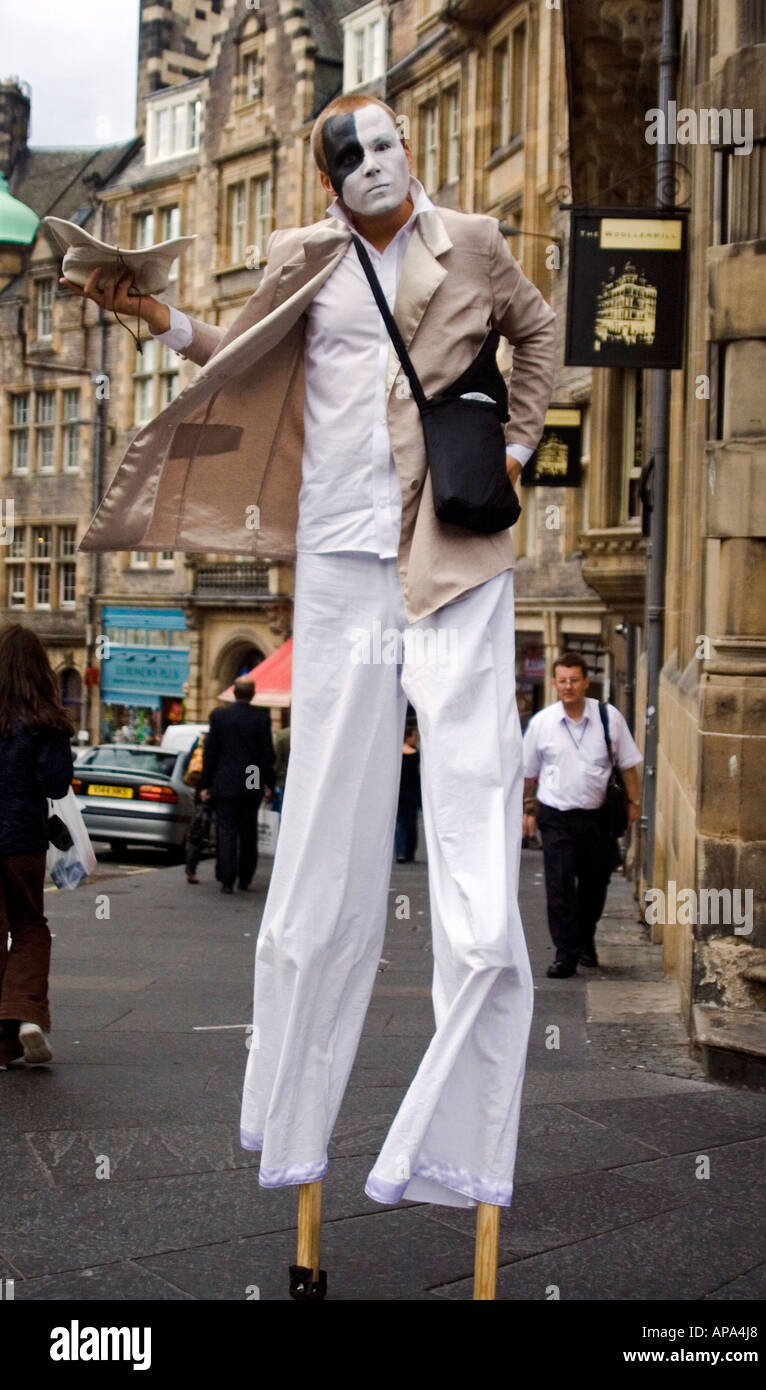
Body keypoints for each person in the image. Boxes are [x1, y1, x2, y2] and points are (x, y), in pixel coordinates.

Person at [69, 92, 556, 1211]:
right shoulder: (303, 256)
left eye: (385, 142)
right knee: (316, 853)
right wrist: (153, 314)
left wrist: (519, 441)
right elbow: (230, 352)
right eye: (349, 154)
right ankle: (293, 1128)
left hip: (454, 548)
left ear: (409, 150)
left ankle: (457, 1151)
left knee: (476, 839)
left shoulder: (472, 243)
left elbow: (536, 334)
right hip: (337, 560)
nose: (374, 164)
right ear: (326, 182)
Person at [522, 651, 643, 978]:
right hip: (555, 815)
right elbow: (529, 774)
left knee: (595, 884)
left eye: (574, 680)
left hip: (596, 818)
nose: (568, 686)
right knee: (559, 886)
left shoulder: (608, 717)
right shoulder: (542, 724)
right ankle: (566, 955)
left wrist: (634, 802)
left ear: (586, 681)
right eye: (562, 681)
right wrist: (527, 810)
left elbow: (629, 764)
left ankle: (584, 936)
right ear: (554, 683)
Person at [0, 624, 74, 1068]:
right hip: (22, 840)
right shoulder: (47, 721)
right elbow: (55, 783)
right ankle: (25, 1017)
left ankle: (4, 1045)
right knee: (29, 926)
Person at [199, 678, 275, 894]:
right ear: (252, 694)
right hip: (251, 777)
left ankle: (226, 879)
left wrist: (206, 784)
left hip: (224, 781)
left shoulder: (219, 716)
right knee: (248, 831)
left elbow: (210, 753)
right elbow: (266, 756)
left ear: (234, 693)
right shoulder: (261, 719)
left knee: (226, 831)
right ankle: (245, 878)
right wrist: (267, 784)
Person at [182, 732, 212, 885]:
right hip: (223, 790)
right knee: (226, 831)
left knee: (198, 829)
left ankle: (191, 869)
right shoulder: (236, 737)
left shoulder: (202, 738)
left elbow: (187, 762)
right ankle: (225, 872)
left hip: (202, 791)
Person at [394, 721, 421, 863]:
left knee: (400, 823)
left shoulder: (396, 752)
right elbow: (419, 773)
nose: (416, 738)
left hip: (398, 791)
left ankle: (400, 851)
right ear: (408, 737)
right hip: (412, 791)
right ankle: (409, 851)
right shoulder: (415, 753)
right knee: (411, 823)